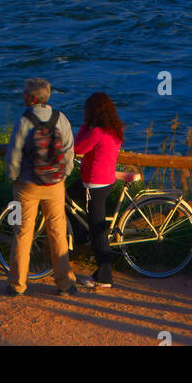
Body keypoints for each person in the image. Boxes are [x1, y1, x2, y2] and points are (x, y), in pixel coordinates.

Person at [4, 77, 77, 297]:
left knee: (23, 232)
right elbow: (69, 151)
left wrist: (14, 177)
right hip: (55, 183)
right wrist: (63, 174)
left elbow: (13, 155)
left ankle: (18, 284)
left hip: (28, 184)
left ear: (33, 98)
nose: (23, 96)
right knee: (57, 231)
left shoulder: (25, 120)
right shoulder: (60, 118)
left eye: (25, 93)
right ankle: (65, 283)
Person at [73, 91, 124, 290]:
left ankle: (105, 278)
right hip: (106, 181)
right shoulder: (114, 129)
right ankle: (81, 235)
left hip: (93, 184)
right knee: (68, 197)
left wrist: (85, 125)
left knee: (99, 231)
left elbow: (78, 148)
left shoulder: (96, 131)